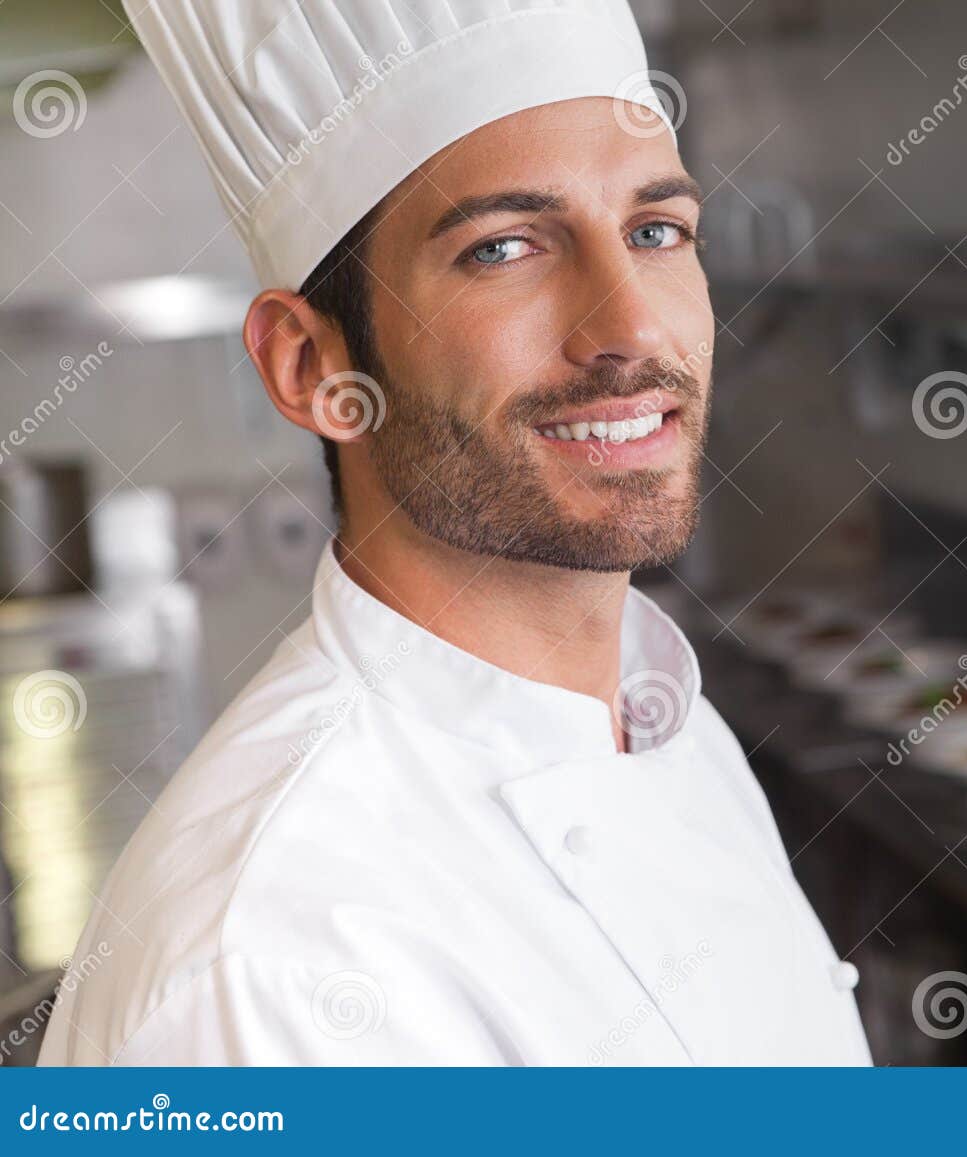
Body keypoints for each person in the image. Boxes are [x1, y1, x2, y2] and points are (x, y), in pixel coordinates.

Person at [40, 0, 871, 1065]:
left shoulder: (663, 720)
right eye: (505, 248)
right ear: (311, 365)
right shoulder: (265, 974)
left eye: (656, 230)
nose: (629, 329)